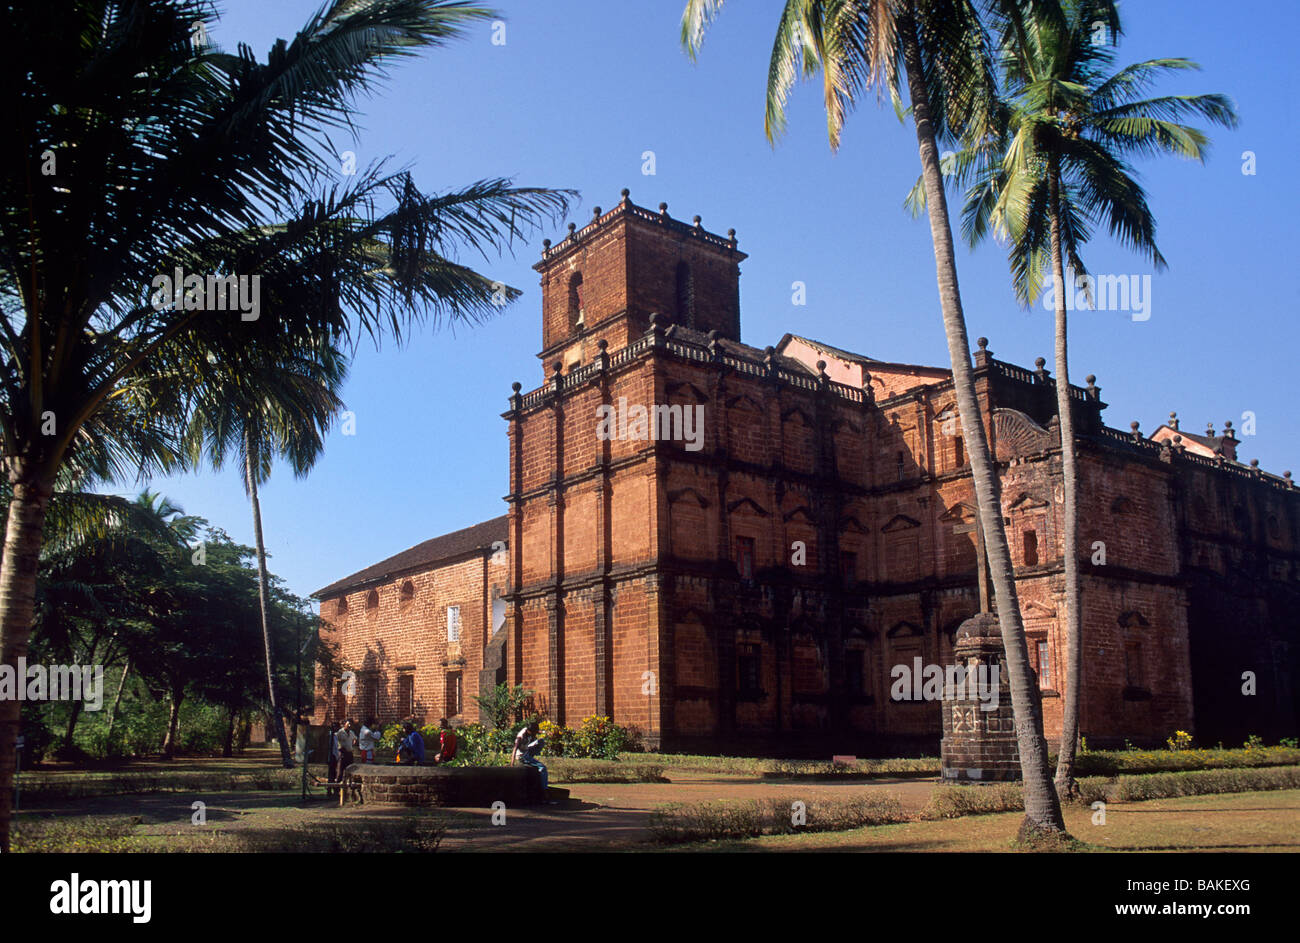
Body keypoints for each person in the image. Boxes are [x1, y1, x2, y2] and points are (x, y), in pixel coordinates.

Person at [511, 721, 548, 793]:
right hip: (521, 756)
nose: (534, 734)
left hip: (526, 751)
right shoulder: (520, 736)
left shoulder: (529, 729)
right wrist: (512, 764)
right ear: (529, 731)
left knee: (541, 741)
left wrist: (545, 732)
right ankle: (544, 790)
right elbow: (514, 749)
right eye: (534, 733)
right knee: (542, 768)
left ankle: (530, 758)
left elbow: (538, 732)